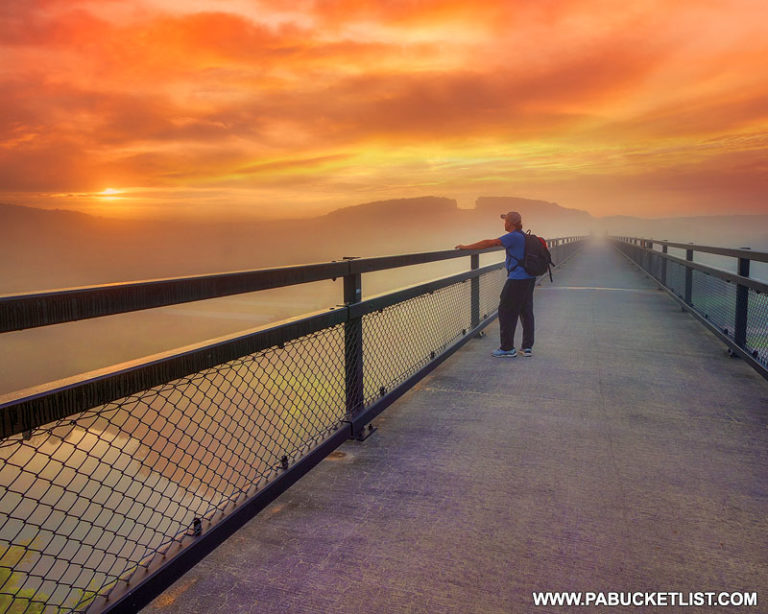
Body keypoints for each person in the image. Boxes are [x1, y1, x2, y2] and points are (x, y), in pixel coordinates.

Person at [455, 211, 535, 358]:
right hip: (529, 278)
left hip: (517, 279)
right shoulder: (524, 236)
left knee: (505, 310)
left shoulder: (513, 236)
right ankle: (527, 347)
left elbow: (489, 243)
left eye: (505, 221)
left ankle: (507, 348)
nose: (504, 223)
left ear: (510, 223)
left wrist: (466, 247)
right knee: (525, 310)